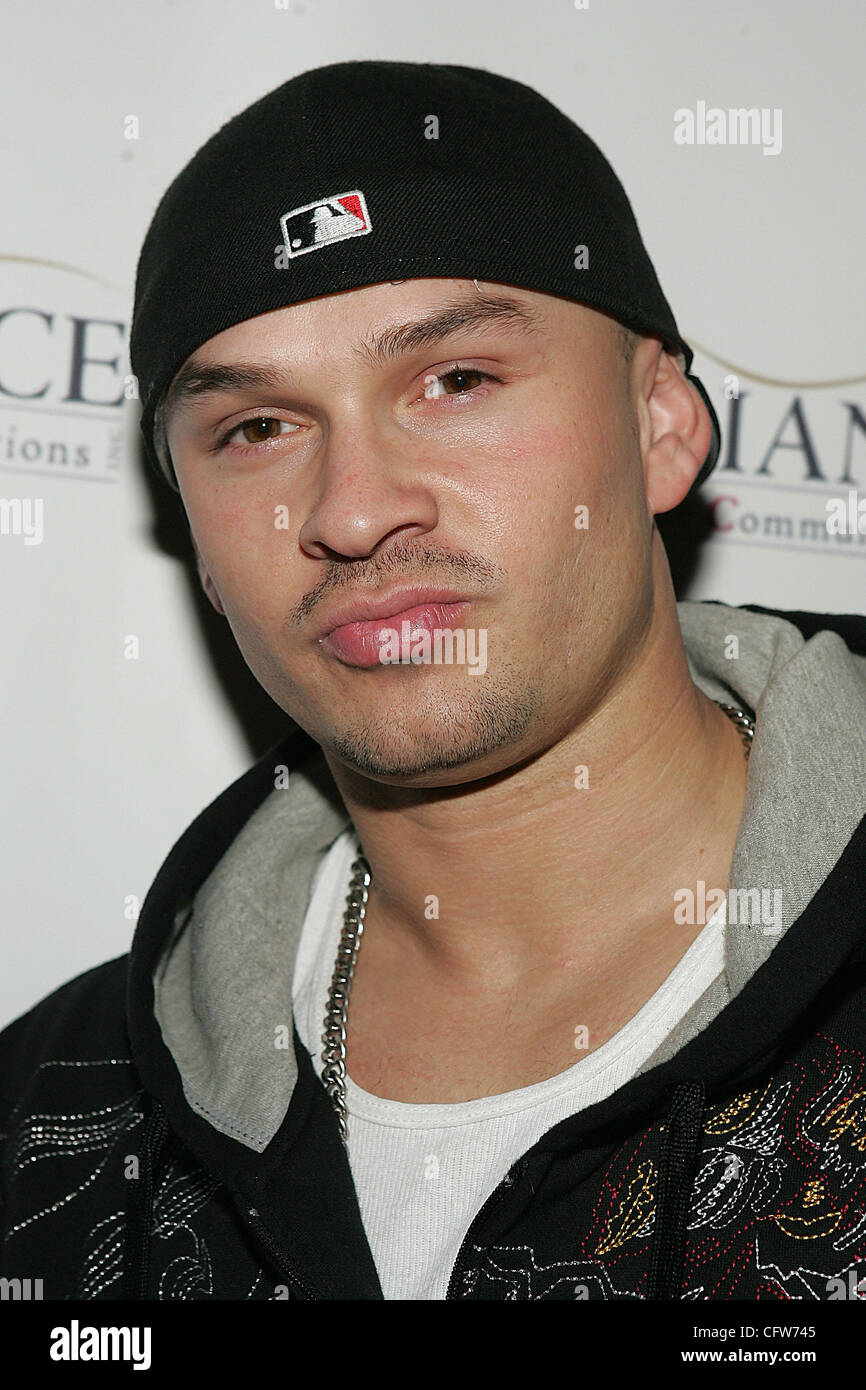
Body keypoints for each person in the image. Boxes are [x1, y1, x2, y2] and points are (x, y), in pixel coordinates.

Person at [1, 59, 864, 1304]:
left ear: (662, 424)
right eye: (257, 429)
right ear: (194, 533)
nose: (352, 512)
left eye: (453, 381)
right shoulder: (51, 1123)